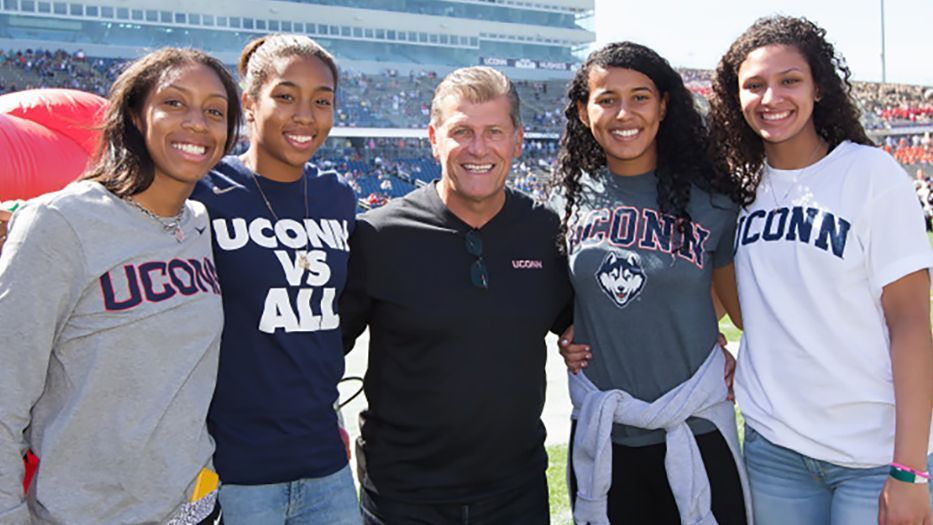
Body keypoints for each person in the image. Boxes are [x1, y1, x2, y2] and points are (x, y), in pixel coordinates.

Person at [707, 15, 933, 525]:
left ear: (818, 88)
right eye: (754, 85)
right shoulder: (736, 191)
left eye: (790, 81)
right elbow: (732, 308)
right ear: (734, 97)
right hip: (774, 450)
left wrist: (910, 471)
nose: (771, 98)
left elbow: (912, 322)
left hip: (872, 455)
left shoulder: (869, 173)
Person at [0, 47, 240, 524]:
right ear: (134, 113)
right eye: (174, 102)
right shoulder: (61, 222)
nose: (197, 122)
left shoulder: (199, 224)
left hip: (195, 510)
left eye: (215, 111)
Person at [340, 66, 573, 525]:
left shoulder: (545, 232)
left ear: (518, 140)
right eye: (461, 131)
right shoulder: (378, 235)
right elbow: (321, 348)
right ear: (433, 137)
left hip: (516, 493)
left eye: (494, 132)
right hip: (403, 498)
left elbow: (580, 320)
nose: (478, 148)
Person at [550, 42, 750, 525]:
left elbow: (739, 309)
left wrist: (702, 338)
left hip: (696, 427)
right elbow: (556, 297)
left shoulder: (714, 202)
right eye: (606, 99)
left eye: (640, 97)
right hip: (606, 434)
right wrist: (566, 332)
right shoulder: (567, 200)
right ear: (583, 110)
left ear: (663, 105)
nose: (624, 113)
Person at [190, 34, 361, 525]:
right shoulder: (205, 191)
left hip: (326, 466)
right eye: (285, 96)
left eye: (322, 101)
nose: (305, 115)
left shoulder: (337, 197)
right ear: (249, 101)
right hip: (233, 470)